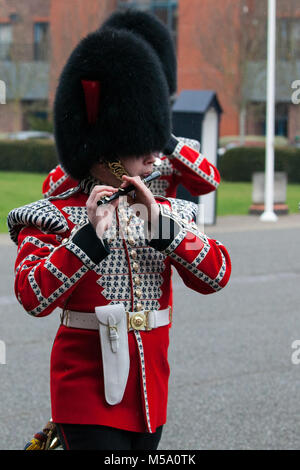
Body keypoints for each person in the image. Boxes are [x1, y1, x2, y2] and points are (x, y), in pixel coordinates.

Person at [8, 19, 231, 451]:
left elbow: (217, 274)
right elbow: (31, 295)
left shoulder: (166, 212)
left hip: (150, 395)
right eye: (139, 141)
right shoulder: (54, 215)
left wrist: (163, 229)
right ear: (104, 145)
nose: (154, 153)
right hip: (84, 397)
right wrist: (88, 239)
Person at [42, 9, 220, 201]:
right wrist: (84, 148)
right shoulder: (101, 158)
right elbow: (50, 189)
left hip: (158, 227)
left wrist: (166, 142)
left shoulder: (175, 152)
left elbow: (209, 180)